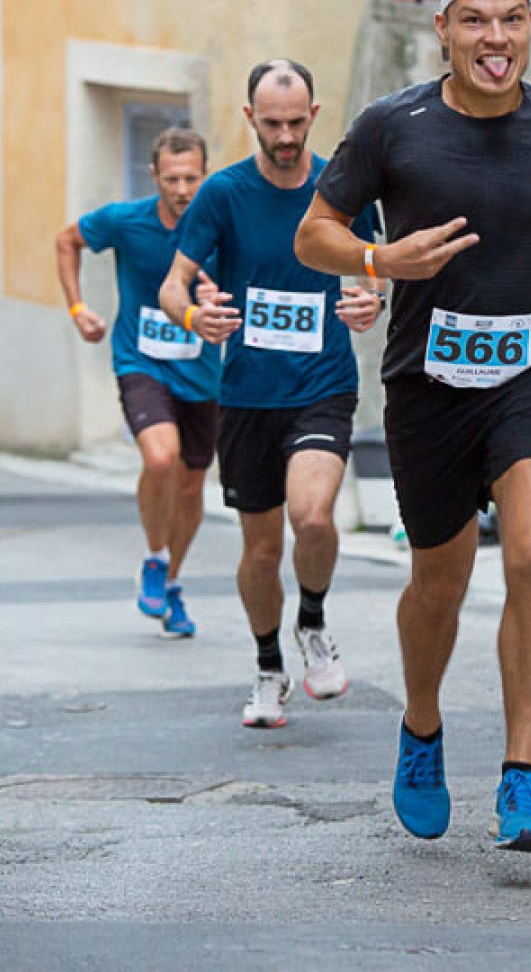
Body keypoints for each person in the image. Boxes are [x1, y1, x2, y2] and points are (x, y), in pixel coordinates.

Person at [295, 0, 531, 854]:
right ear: (443, 31)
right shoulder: (391, 126)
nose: (497, 39)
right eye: (477, 21)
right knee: (439, 580)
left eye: (512, 19)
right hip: (427, 385)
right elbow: (314, 234)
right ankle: (420, 727)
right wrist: (382, 260)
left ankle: (523, 775)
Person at [158, 60, 383, 729]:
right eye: (272, 123)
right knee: (260, 551)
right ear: (249, 118)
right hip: (249, 395)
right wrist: (198, 320)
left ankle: (311, 622)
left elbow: (373, 272)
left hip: (323, 384)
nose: (285, 136)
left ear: (314, 115)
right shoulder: (222, 195)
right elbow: (174, 286)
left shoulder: (342, 190)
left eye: (296, 122)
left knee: (313, 517)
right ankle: (267, 667)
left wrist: (370, 300)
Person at [56, 128, 221, 639]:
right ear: (154, 177)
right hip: (141, 361)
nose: (182, 189)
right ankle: (153, 557)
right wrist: (79, 309)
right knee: (159, 458)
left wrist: (220, 294)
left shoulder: (220, 225)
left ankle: (171, 581)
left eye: (192, 177)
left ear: (205, 173)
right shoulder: (126, 221)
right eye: (171, 178)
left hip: (204, 373)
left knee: (193, 484)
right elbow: (68, 240)